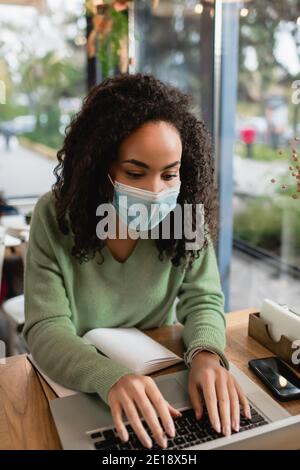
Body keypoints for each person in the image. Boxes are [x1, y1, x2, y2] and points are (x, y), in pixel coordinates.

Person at [23, 72, 251, 450]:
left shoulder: (186, 217)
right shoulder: (54, 216)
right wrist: (109, 377)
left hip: (162, 375)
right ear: (100, 165)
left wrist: (208, 353)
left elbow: (204, 298)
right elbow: (46, 327)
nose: (156, 191)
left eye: (170, 174)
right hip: (81, 381)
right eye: (135, 172)